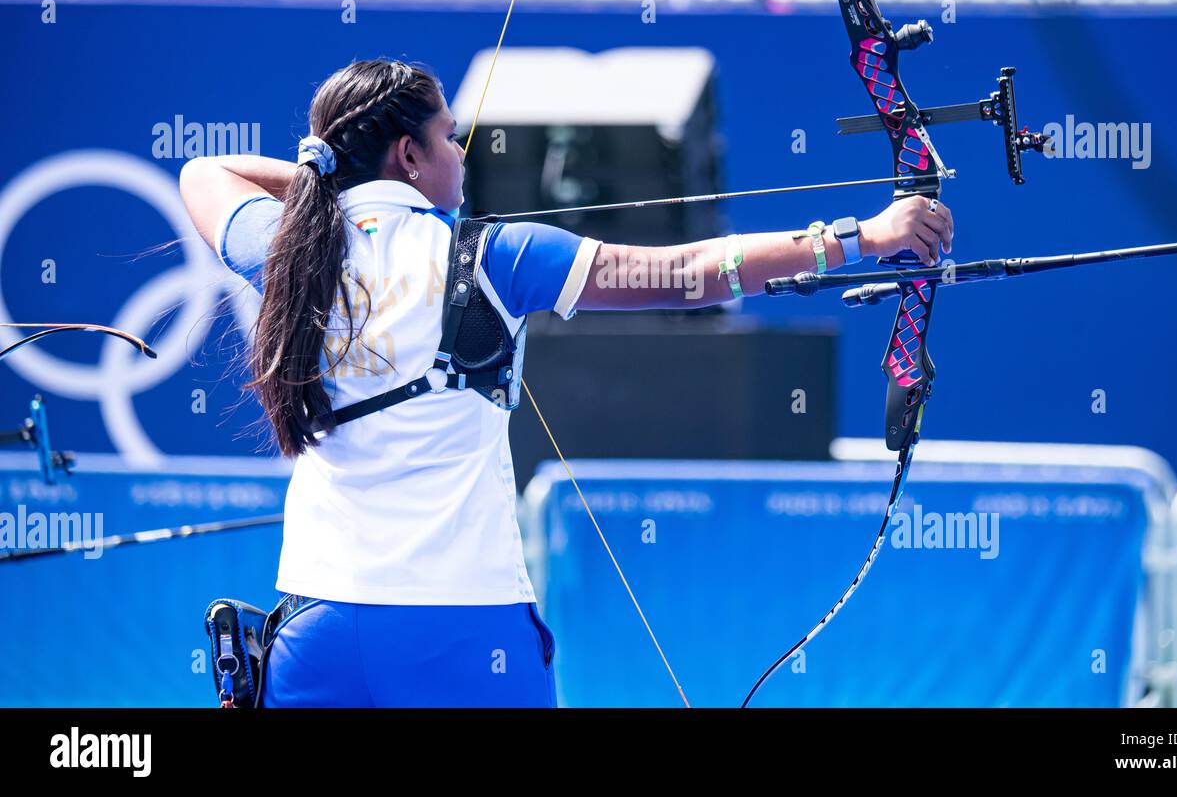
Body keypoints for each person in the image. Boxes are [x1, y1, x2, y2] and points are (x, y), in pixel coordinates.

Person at [180, 57, 954, 707]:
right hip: (464, 636)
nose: (461, 153)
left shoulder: (289, 250)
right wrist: (861, 237)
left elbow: (203, 170)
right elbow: (687, 273)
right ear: (410, 158)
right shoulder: (495, 256)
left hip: (318, 637)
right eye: (449, 136)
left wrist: (330, 195)